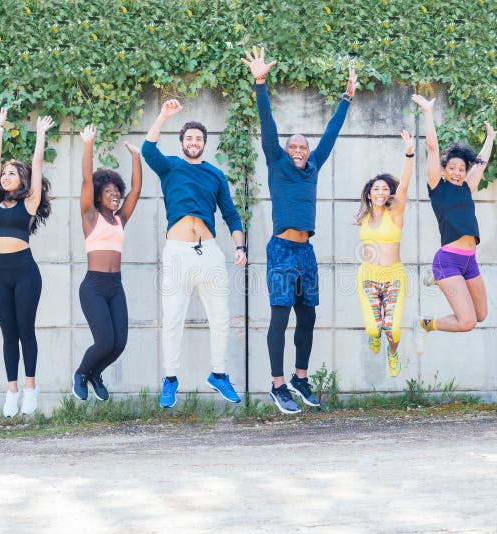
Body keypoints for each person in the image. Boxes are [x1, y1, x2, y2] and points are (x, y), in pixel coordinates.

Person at [242, 47, 355, 414]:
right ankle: (277, 385)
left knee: (308, 316)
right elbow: (267, 123)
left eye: (302, 146)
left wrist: (346, 98)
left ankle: (299, 378)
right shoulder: (276, 162)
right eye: (292, 146)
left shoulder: (314, 166)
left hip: (306, 252)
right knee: (281, 316)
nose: (298, 149)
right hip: (281, 250)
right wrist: (260, 83)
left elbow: (332, 135)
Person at [142, 99, 247, 409]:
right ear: (182, 142)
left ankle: (219, 373)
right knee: (173, 318)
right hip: (177, 252)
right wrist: (163, 115)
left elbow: (231, 214)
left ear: (204, 144)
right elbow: (148, 150)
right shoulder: (170, 166)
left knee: (221, 317)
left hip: (210, 252)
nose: (193, 142)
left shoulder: (215, 175)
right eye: (189, 138)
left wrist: (240, 247)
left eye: (198, 139)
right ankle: (171, 379)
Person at [410, 95, 496, 354]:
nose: (458, 172)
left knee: (481, 315)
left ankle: (436, 280)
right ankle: (425, 324)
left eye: (462, 168)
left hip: (469, 260)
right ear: (445, 169)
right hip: (448, 260)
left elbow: (481, 163)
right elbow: (433, 149)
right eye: (453, 168)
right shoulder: (438, 186)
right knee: (466, 322)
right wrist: (427, 112)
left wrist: (490, 138)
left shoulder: (467, 188)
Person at [0, 108, 53, 417]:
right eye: (5, 173)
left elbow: (37, 163)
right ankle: (11, 390)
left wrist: (40, 135)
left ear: (22, 179)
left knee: (26, 330)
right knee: (8, 333)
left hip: (25, 272)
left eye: (12, 172)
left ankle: (30, 387)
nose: (5, 175)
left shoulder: (30, 201)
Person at [72, 125, 142, 402]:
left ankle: (94, 373)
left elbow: (136, 190)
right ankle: (81, 373)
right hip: (94, 286)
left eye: (117, 191)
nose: (115, 194)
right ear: (100, 194)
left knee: (119, 343)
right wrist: (88, 143)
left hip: (115, 285)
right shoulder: (90, 216)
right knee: (104, 342)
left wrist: (137, 157)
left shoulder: (120, 219)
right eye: (109, 191)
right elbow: (87, 180)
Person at [355, 131, 414, 377]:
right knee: (372, 329)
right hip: (368, 275)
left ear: (389, 193)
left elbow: (405, 184)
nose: (380, 192)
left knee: (393, 330)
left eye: (385, 189)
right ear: (369, 194)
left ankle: (392, 351)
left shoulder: (395, 214)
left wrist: (409, 153)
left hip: (394, 277)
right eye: (376, 189)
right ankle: (375, 337)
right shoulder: (363, 217)